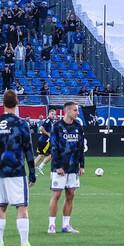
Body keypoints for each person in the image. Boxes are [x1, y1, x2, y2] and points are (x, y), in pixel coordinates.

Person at [0, 90, 39, 246]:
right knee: (22, 207)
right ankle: (24, 243)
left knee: (0, 206)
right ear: (17, 103)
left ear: (3, 103)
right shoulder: (21, 124)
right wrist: (32, 171)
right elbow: (28, 149)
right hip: (16, 170)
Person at [48, 100, 85, 234]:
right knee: (56, 194)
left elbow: (81, 147)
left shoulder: (78, 126)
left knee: (70, 195)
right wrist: (57, 166)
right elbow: (54, 147)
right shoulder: (57, 126)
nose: (77, 113)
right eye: (75, 110)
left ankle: (66, 225)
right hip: (60, 168)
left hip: (73, 167)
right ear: (68, 110)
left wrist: (82, 165)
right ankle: (51, 225)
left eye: (77, 110)